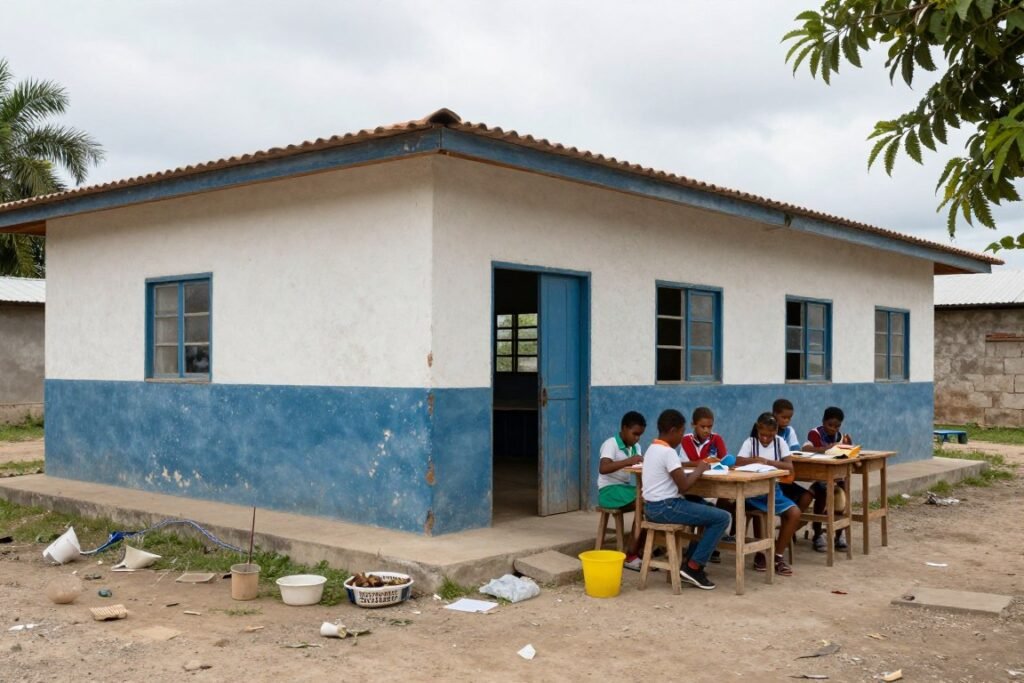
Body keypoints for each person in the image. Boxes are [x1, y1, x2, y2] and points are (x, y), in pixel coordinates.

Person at [642, 409, 731, 590]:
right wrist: (700, 468)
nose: (682, 437)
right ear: (673, 431)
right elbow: (684, 486)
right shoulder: (668, 453)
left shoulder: (652, 448)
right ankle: (694, 567)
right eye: (682, 433)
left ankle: (689, 564)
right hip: (666, 507)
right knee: (722, 517)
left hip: (652, 507)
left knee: (704, 507)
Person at [735, 412, 802, 577]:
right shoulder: (750, 442)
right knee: (760, 514)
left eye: (770, 435)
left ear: (776, 431)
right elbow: (738, 462)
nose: (765, 439)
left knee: (794, 513)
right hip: (752, 492)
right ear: (758, 429)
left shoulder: (780, 443)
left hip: (774, 490)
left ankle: (777, 556)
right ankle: (760, 553)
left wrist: (768, 462)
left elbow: (789, 467)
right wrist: (754, 460)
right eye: (763, 435)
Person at [597, 411, 647, 570]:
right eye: (635, 434)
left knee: (651, 501)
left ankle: (639, 550)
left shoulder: (636, 447)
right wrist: (629, 461)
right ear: (624, 428)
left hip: (624, 491)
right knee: (643, 501)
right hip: (609, 492)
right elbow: (603, 468)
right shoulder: (610, 444)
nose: (637, 438)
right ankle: (631, 555)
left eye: (640, 435)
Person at [803, 406, 852, 552]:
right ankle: (817, 533)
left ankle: (839, 533)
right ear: (823, 422)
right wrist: (828, 448)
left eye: (837, 426)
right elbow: (805, 449)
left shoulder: (840, 436)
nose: (833, 429)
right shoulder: (815, 433)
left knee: (842, 496)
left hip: (835, 476)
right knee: (822, 493)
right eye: (830, 425)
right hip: (819, 476)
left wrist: (847, 447)